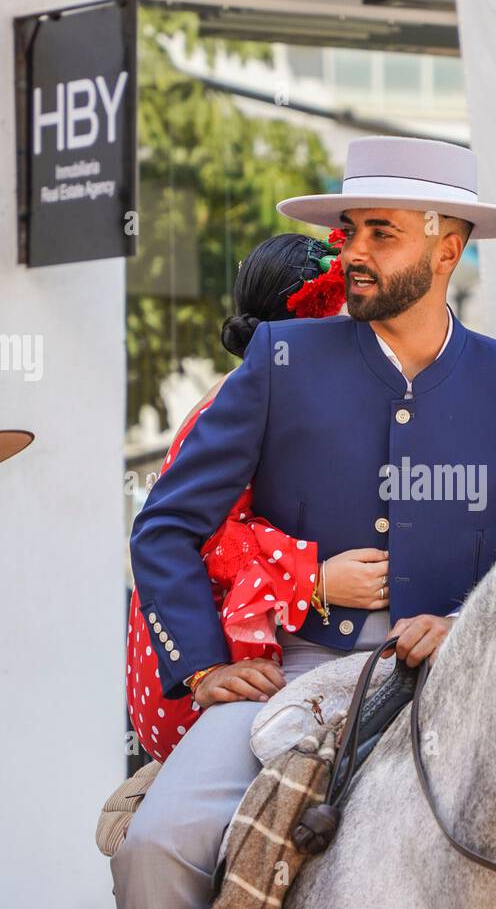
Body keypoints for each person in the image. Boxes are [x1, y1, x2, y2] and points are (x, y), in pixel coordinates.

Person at [111, 135, 496, 909]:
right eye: (347, 230)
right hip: (301, 672)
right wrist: (199, 668)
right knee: (156, 842)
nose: (352, 250)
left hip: (466, 684)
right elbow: (166, 525)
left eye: (379, 231)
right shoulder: (282, 359)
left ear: (446, 247)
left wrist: (464, 625)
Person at [126, 229, 393, 763]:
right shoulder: (244, 402)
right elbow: (195, 539)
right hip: (204, 671)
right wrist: (316, 579)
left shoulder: (290, 395)